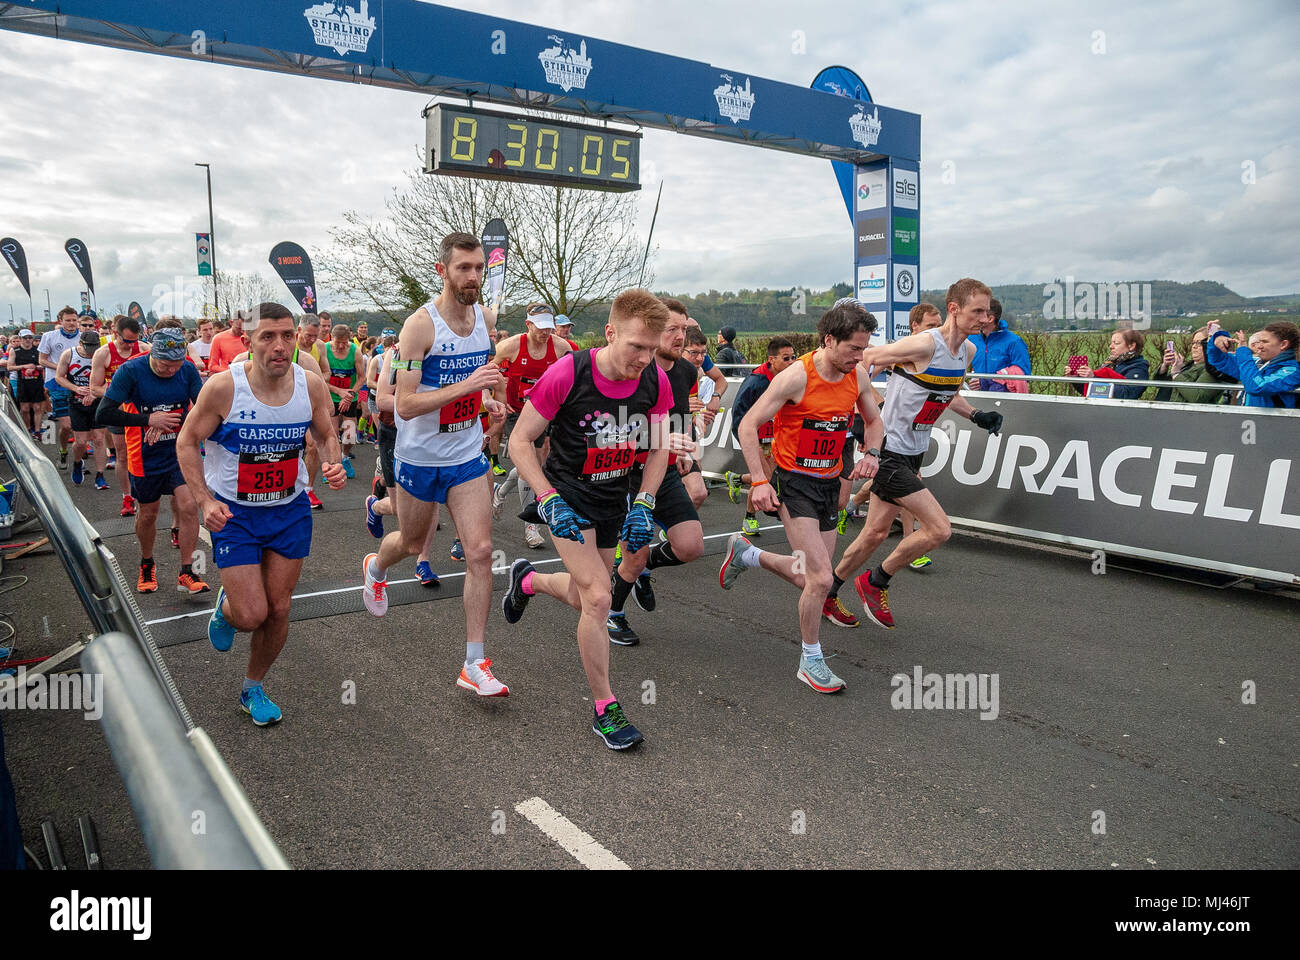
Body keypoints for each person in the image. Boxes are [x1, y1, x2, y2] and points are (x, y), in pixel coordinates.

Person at [500, 288, 671, 749]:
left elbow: (659, 448)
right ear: (611, 333)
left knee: (580, 596)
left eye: (652, 348)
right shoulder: (569, 372)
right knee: (599, 597)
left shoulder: (655, 381)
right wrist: (548, 499)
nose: (644, 357)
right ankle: (605, 708)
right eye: (636, 345)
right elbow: (520, 442)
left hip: (614, 494)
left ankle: (529, 582)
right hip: (568, 494)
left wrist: (646, 502)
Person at [178, 302, 347, 726]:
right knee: (251, 614)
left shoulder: (310, 385)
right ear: (247, 339)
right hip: (235, 514)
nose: (279, 345)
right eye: (267, 336)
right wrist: (204, 501)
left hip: (290, 510)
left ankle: (252, 687)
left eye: (287, 335)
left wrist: (334, 461)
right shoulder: (223, 388)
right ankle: (227, 609)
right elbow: (186, 442)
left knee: (280, 608)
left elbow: (326, 432)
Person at [361, 232, 510, 699]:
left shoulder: (486, 319)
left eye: (480, 268)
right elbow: (403, 405)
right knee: (410, 542)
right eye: (464, 268)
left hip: (466, 456)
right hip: (419, 459)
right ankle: (376, 566)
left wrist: (488, 402)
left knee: (481, 551)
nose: (473, 276)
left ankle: (475, 661)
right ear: (442, 270)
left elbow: (480, 382)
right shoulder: (418, 327)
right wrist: (470, 387)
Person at [717, 299, 884, 694]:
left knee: (813, 577)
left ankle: (748, 555)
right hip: (794, 483)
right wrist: (758, 480)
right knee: (822, 576)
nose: (860, 357)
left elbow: (874, 420)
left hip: (828, 482)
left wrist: (872, 454)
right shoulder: (795, 376)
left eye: (863, 349)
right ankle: (811, 659)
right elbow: (748, 426)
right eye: (853, 348)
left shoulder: (856, 375)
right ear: (829, 340)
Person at [826, 279, 1004, 631]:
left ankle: (827, 593)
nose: (985, 318)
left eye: (987, 310)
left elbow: (944, 393)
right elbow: (868, 359)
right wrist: (863, 414)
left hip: (914, 452)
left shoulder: (965, 352)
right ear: (954, 309)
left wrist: (976, 415)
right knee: (939, 530)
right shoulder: (925, 344)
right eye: (977, 311)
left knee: (875, 533)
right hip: (890, 450)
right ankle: (875, 581)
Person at [605, 298, 707, 647]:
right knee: (631, 556)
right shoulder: (630, 368)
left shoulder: (685, 372)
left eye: (684, 329)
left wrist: (681, 449)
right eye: (672, 329)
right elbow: (611, 430)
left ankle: (646, 567)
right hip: (624, 474)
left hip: (662, 468)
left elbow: (678, 418)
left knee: (691, 545)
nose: (680, 336)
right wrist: (661, 439)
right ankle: (612, 613)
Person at [96, 329, 206, 594]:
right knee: (149, 514)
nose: (171, 370)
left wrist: (182, 425)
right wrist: (149, 420)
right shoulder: (130, 371)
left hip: (179, 451)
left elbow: (203, 408)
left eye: (176, 364)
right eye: (165, 364)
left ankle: (187, 571)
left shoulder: (187, 370)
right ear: (151, 354)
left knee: (189, 506)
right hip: (144, 454)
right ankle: (147, 563)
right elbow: (103, 414)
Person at [844, 303, 941, 573]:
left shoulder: (936, 354)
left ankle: (851, 506)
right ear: (915, 327)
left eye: (939, 325)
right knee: (914, 491)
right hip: (890, 438)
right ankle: (908, 546)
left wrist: (975, 414)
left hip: (915, 441)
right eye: (931, 327)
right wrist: (875, 404)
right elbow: (861, 375)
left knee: (876, 526)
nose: (937, 332)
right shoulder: (905, 349)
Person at [489, 302, 573, 541]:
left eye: (549, 327)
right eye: (540, 327)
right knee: (530, 467)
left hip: (543, 412)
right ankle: (531, 526)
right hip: (516, 410)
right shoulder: (510, 345)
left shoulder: (561, 347)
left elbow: (576, 377)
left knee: (536, 466)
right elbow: (485, 370)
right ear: (528, 325)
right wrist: (494, 396)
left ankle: (501, 491)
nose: (545, 332)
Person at [364, 343, 442, 586]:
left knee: (431, 500)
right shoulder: (395, 354)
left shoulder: (442, 354)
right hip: (394, 433)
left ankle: (423, 561)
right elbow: (383, 400)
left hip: (425, 436)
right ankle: (376, 507)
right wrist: (420, 399)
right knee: (400, 509)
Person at [725, 336, 797, 535]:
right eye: (786, 358)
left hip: (775, 436)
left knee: (771, 477)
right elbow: (739, 415)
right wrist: (749, 440)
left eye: (793, 357)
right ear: (771, 360)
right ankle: (749, 518)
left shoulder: (792, 378)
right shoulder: (756, 381)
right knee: (766, 478)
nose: (791, 362)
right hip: (755, 436)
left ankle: (738, 479)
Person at [90, 315, 148, 517]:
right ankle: (127, 496)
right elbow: (95, 388)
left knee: (144, 453)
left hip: (141, 411)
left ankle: (145, 495)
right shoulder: (103, 353)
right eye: (126, 341)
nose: (131, 345)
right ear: (115, 334)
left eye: (134, 340)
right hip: (118, 411)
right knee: (123, 455)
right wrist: (119, 392)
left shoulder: (143, 349)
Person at [54, 327, 110, 489]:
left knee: (99, 439)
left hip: (98, 401)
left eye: (94, 348)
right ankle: (77, 463)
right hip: (77, 402)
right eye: (88, 348)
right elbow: (59, 377)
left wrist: (94, 393)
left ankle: (100, 475)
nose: (91, 352)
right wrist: (75, 388)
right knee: (80, 442)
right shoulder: (69, 354)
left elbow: (111, 378)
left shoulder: (102, 354)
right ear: (80, 343)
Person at [1206, 322, 1300, 408]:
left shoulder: (1291, 371)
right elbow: (1219, 360)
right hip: (1249, 421)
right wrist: (1217, 339)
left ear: (1283, 344)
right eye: (1259, 342)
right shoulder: (1256, 363)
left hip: (1274, 424)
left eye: (1265, 342)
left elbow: (1257, 387)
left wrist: (1243, 352)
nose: (1259, 346)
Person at [38, 307, 81, 470]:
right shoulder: (49, 336)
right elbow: (42, 360)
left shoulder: (83, 337)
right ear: (60, 321)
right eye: (68, 320)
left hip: (79, 383)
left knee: (80, 425)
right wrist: (61, 367)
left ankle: (79, 456)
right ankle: (63, 451)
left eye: (74, 320)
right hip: (57, 383)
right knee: (67, 426)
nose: (71, 323)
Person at [324, 323, 365, 479]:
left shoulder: (355, 351)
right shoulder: (325, 349)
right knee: (332, 434)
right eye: (337, 342)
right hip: (330, 396)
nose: (341, 346)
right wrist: (338, 391)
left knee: (349, 433)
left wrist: (349, 395)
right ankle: (333, 466)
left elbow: (362, 377)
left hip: (349, 397)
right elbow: (320, 379)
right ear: (331, 339)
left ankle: (344, 456)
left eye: (344, 342)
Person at [971, 297, 1031, 392]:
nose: (974, 317)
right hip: (979, 398)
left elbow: (1023, 374)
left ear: (990, 318)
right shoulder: (971, 339)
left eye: (979, 313)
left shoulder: (1014, 342)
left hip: (1005, 400)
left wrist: (984, 381)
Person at [1073, 329, 1150, 400]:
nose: (1111, 347)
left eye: (1116, 343)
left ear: (1131, 346)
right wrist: (1076, 378)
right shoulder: (1110, 363)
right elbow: (1088, 391)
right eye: (1111, 343)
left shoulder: (1138, 368)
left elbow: (1127, 394)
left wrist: (1094, 378)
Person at [10, 330, 44, 439]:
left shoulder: (38, 350)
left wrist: (35, 367)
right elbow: (10, 367)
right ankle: (28, 429)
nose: (28, 340)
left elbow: (43, 365)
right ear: (20, 339)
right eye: (25, 338)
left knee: (37, 407)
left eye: (30, 337)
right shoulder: (15, 350)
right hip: (23, 383)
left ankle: (37, 431)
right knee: (24, 409)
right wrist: (24, 367)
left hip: (36, 382)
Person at [204, 311, 249, 376]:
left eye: (245, 328)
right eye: (239, 328)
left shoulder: (249, 337)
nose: (242, 331)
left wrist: (247, 357)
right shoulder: (218, 338)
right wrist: (231, 371)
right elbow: (212, 366)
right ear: (231, 322)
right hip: (228, 377)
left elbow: (253, 357)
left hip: (248, 376)